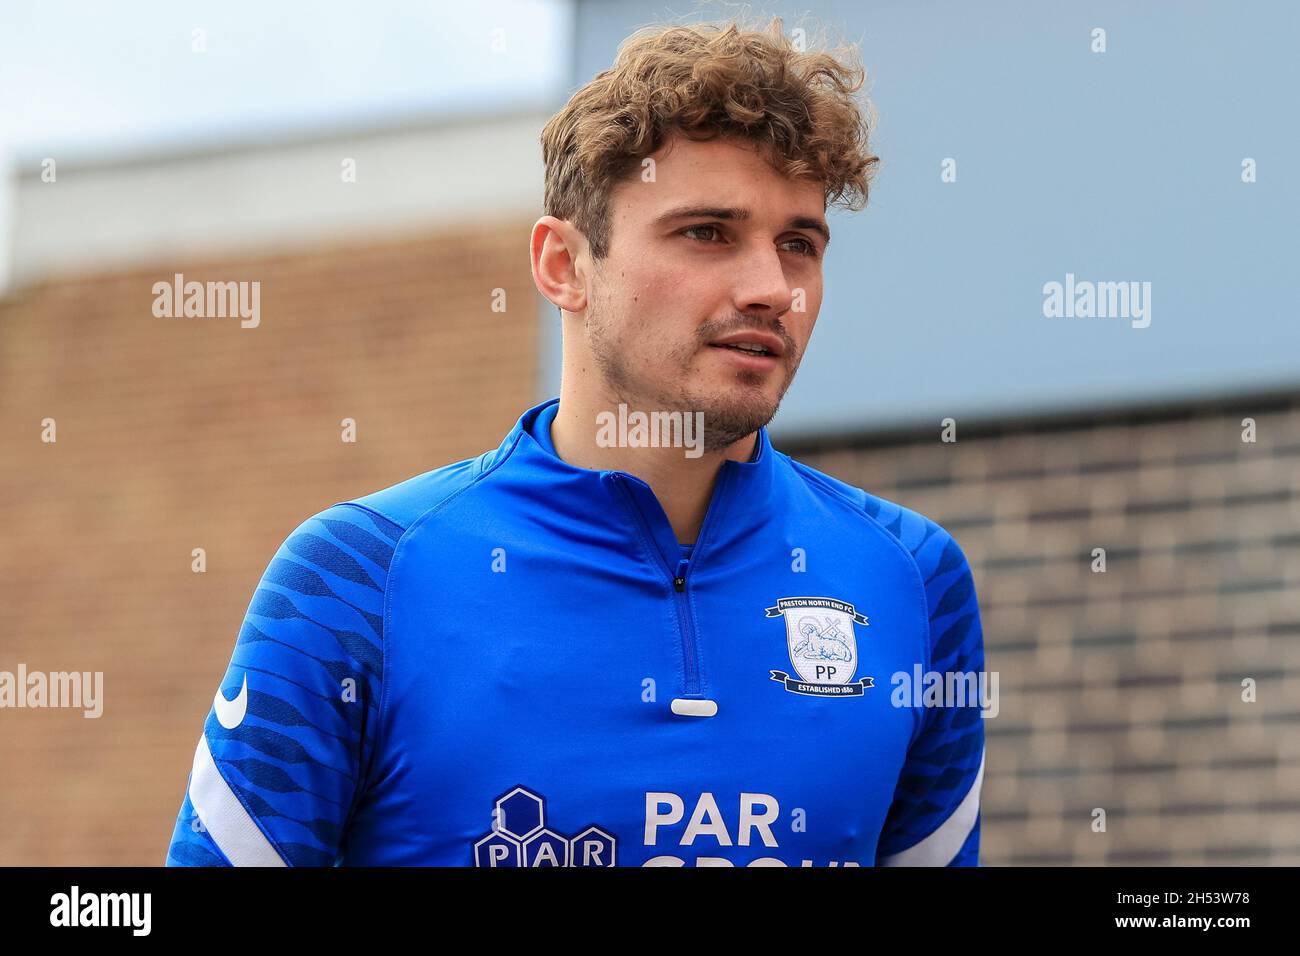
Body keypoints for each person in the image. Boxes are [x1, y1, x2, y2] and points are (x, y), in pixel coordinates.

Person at [166, 15, 986, 867]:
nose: (772, 288)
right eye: (708, 232)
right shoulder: (356, 575)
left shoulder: (914, 579)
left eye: (799, 245)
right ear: (564, 264)